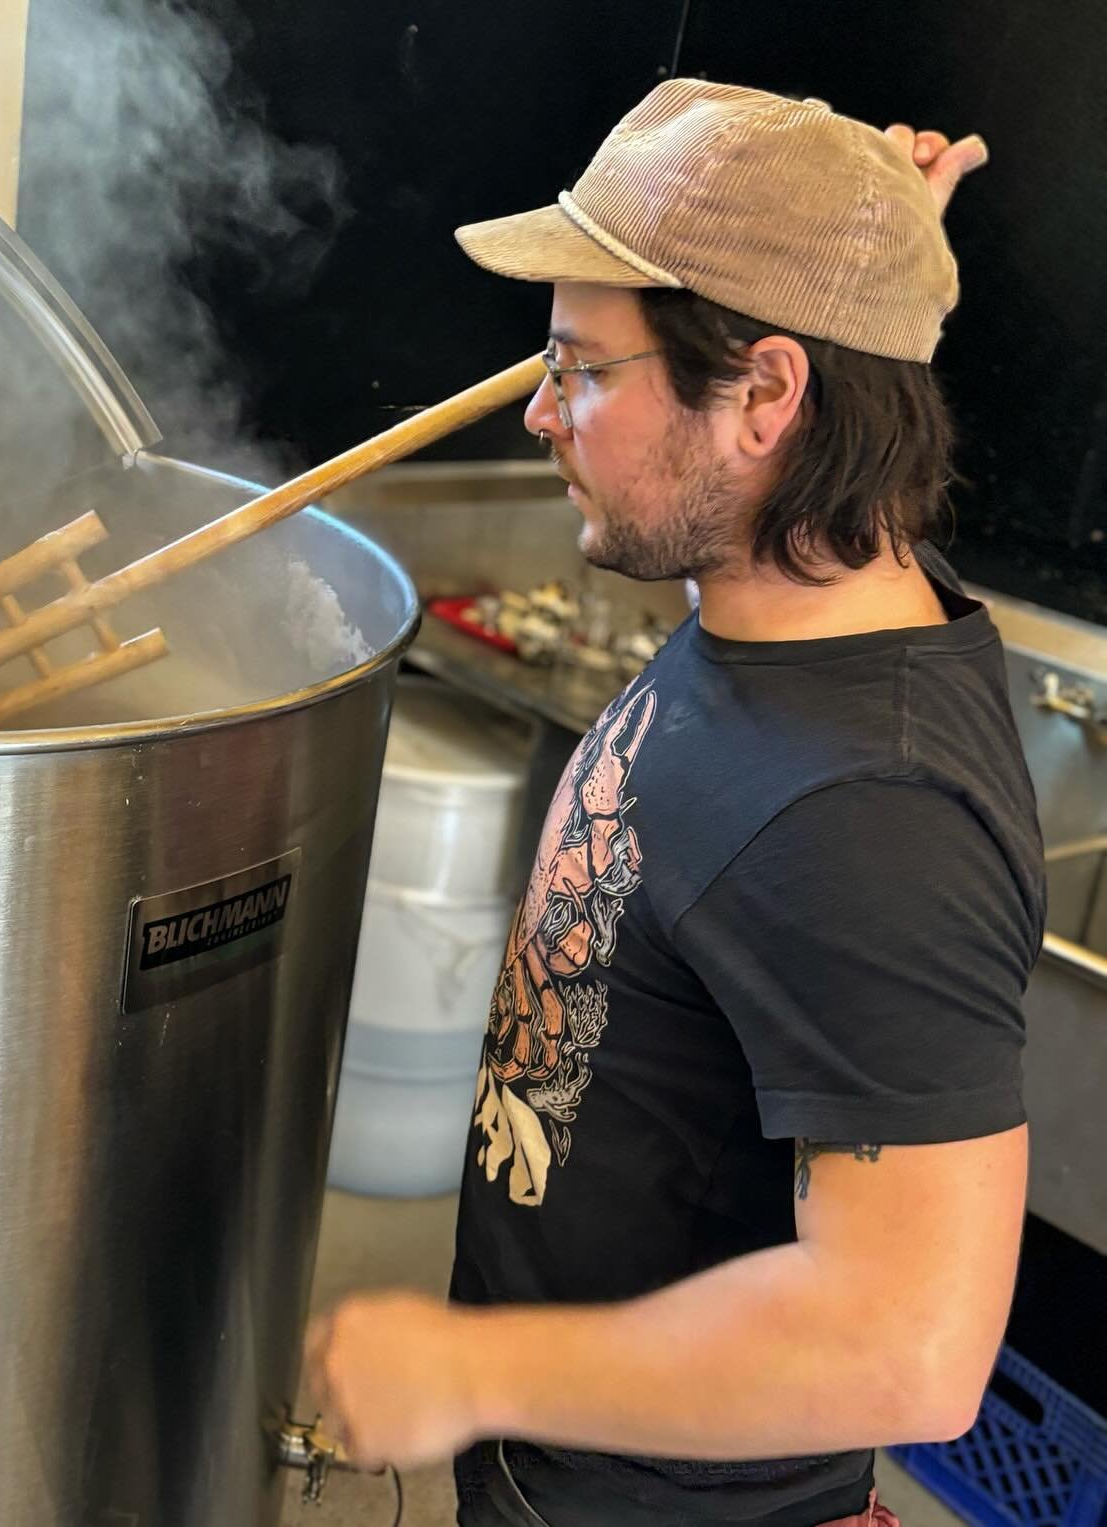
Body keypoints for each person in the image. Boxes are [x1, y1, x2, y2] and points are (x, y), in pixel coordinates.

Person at [305, 80, 1045, 1527]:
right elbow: (834, 397)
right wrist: (863, 250)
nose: (536, 411)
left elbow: (909, 1349)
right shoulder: (787, 606)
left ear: (767, 396)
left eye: (581, 367)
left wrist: (478, 1368)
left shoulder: (873, 813)